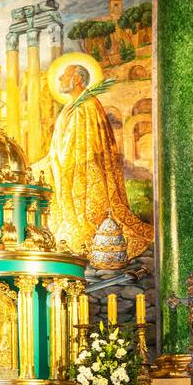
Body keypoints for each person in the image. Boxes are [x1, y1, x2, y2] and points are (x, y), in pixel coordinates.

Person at [35, 64, 153, 258]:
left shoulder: (86, 107)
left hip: (81, 168)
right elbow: (60, 145)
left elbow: (79, 146)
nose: (60, 79)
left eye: (65, 75)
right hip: (65, 163)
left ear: (78, 80)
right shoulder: (72, 107)